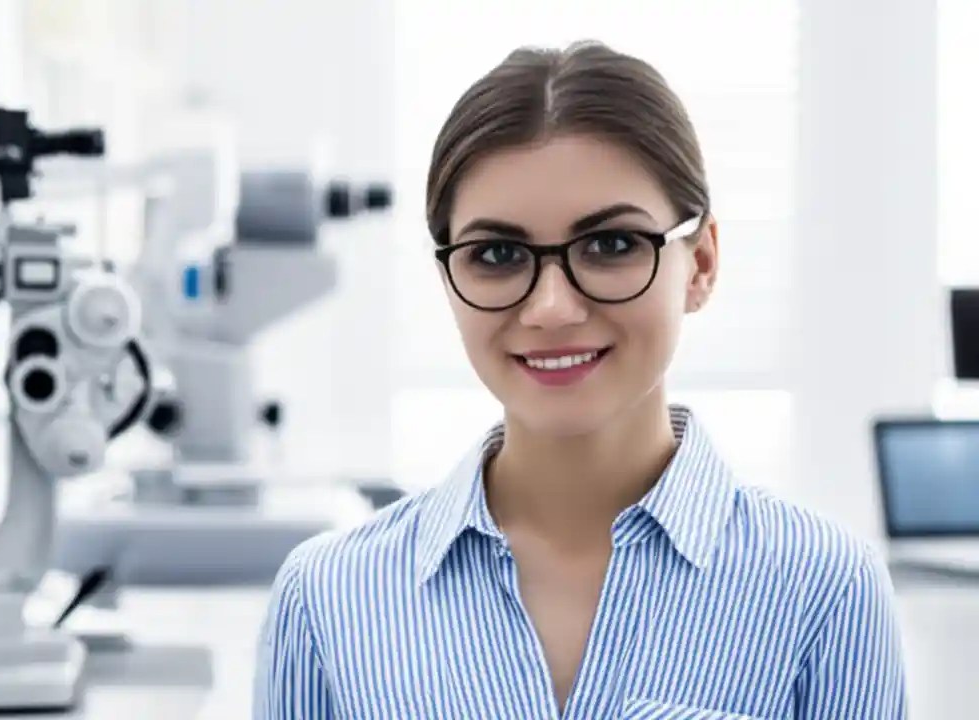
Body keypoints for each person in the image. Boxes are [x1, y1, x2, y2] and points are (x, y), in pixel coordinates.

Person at [252, 40, 906, 719]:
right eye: (497, 255)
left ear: (701, 263)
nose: (552, 309)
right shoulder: (327, 597)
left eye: (612, 245)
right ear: (447, 279)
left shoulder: (826, 588)